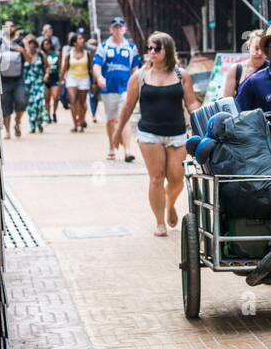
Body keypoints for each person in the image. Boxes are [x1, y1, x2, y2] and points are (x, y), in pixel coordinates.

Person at [114, 32, 201, 237]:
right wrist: (118, 132)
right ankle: (159, 221)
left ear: (167, 50)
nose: (151, 52)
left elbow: (191, 103)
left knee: (177, 178)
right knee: (156, 178)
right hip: (149, 134)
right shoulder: (140, 76)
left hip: (177, 133)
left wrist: (202, 119)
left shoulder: (181, 75)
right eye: (149, 48)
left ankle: (170, 203)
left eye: (157, 48)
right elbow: (128, 106)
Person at [93, 17, 141, 161]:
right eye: (115, 27)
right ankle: (111, 147)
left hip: (125, 88)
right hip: (109, 89)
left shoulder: (131, 47)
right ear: (111, 29)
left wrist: (136, 84)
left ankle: (127, 151)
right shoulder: (104, 46)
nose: (118, 30)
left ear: (125, 29)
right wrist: (99, 77)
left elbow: (135, 68)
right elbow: (96, 65)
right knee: (111, 120)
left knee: (124, 119)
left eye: (120, 27)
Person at [0, 19, 27, 140]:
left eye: (12, 26)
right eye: (7, 26)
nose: (10, 28)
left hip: (18, 79)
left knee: (22, 101)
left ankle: (17, 121)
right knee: (5, 105)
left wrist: (23, 51)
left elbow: (30, 59)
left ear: (15, 28)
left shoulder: (20, 42)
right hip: (4, 79)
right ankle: (7, 131)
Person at [60, 31, 92, 132]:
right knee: (73, 100)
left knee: (82, 102)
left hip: (84, 78)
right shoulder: (69, 54)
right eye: (80, 39)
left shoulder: (87, 54)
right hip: (72, 78)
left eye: (83, 39)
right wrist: (61, 81)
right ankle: (75, 123)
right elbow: (64, 69)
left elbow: (90, 68)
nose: (82, 40)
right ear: (74, 43)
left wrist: (94, 81)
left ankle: (81, 121)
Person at [223, 29, 265, 98]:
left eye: (263, 49)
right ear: (248, 47)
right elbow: (226, 101)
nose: (260, 53)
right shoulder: (236, 69)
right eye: (256, 48)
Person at [21, 33, 48, 134]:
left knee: (39, 103)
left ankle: (39, 122)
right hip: (28, 83)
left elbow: (47, 66)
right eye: (29, 44)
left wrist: (46, 75)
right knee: (30, 105)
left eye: (33, 44)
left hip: (39, 82)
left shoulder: (40, 54)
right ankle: (32, 125)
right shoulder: (24, 54)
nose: (31, 46)